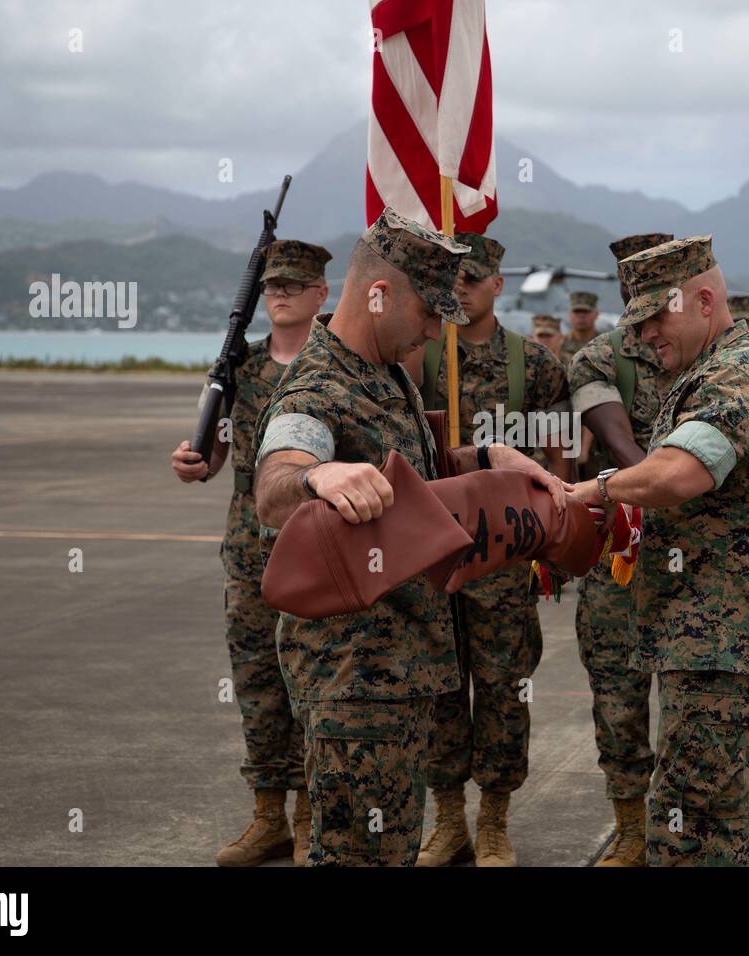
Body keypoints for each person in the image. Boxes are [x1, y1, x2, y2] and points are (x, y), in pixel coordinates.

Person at [252, 208, 564, 866]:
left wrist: (484, 461)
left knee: (388, 849)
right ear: (378, 293)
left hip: (403, 673)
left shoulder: (387, 374)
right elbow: (276, 481)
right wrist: (318, 476)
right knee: (358, 855)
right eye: (427, 311)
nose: (434, 327)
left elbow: (413, 481)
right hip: (356, 681)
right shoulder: (316, 388)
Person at [568, 235, 749, 866]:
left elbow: (677, 473)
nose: (645, 334)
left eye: (656, 317)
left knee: (691, 825)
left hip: (722, 644)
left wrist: (588, 492)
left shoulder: (740, 372)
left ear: (705, 301)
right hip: (707, 641)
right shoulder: (702, 371)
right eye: (638, 320)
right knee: (736, 821)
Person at [407, 232, 571, 867]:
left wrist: (558, 539)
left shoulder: (536, 365)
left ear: (497, 285)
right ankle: (448, 821)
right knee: (441, 689)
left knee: (504, 691)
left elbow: (559, 459)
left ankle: (495, 822)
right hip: (435, 557)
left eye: (471, 280)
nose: (459, 291)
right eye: (451, 280)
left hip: (505, 561)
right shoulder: (418, 361)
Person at [171, 239, 331, 866]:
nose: (280, 294)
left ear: (323, 293)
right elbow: (214, 453)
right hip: (247, 546)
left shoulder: (335, 365)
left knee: (316, 680)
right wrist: (193, 461)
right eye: (272, 286)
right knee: (258, 680)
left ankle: (312, 815)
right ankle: (269, 815)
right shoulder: (240, 366)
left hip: (316, 538)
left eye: (293, 285)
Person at [564, 231, 674, 866]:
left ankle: (682, 824)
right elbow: (619, 441)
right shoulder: (598, 360)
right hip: (622, 558)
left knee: (697, 700)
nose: (644, 294)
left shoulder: (717, 358)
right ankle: (631, 828)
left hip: (702, 563)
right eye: (634, 280)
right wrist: (669, 482)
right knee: (618, 697)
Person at [561, 290, 601, 364]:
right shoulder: (559, 344)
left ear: (596, 314)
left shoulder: (604, 344)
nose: (581, 316)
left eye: (586, 311)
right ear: (569, 315)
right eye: (576, 311)